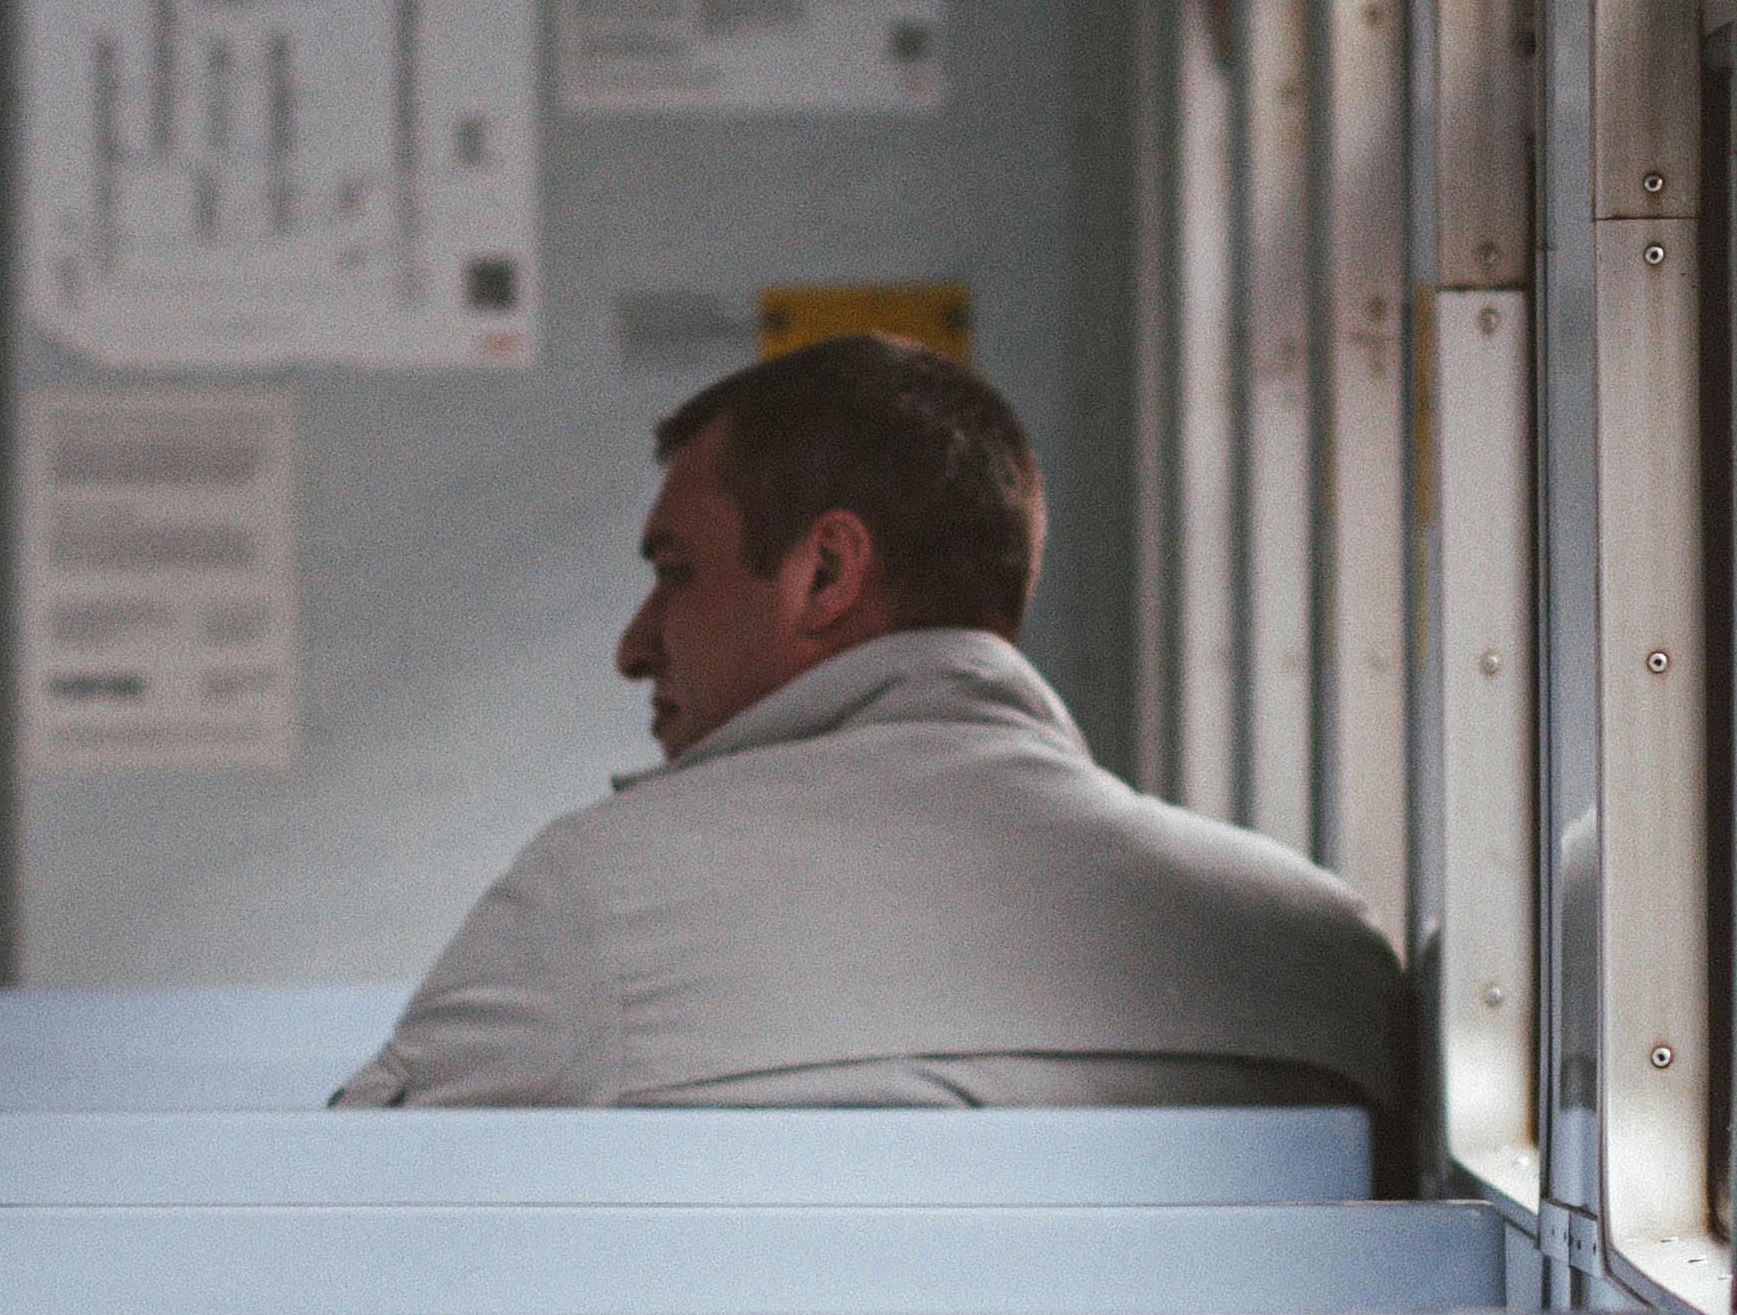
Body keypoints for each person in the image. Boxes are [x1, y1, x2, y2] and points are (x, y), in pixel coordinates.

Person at [332, 334, 1402, 1142]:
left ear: (828, 574)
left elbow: (342, 1234)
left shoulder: (595, 905)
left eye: (673, 574)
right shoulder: (1325, 949)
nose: (634, 644)